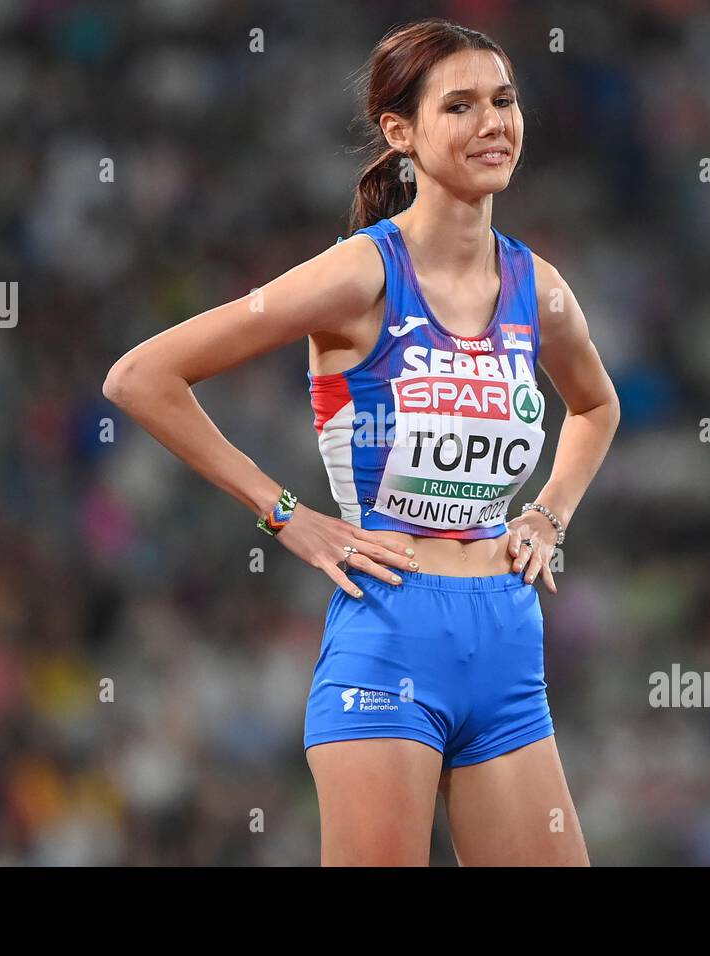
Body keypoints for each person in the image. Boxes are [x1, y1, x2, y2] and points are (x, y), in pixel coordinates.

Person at [103, 18, 619, 866]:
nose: (493, 123)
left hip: (507, 640)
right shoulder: (361, 273)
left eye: (504, 99)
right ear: (400, 132)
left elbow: (595, 408)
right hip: (390, 634)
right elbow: (142, 376)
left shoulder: (539, 288)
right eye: (460, 105)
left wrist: (549, 516)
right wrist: (287, 516)